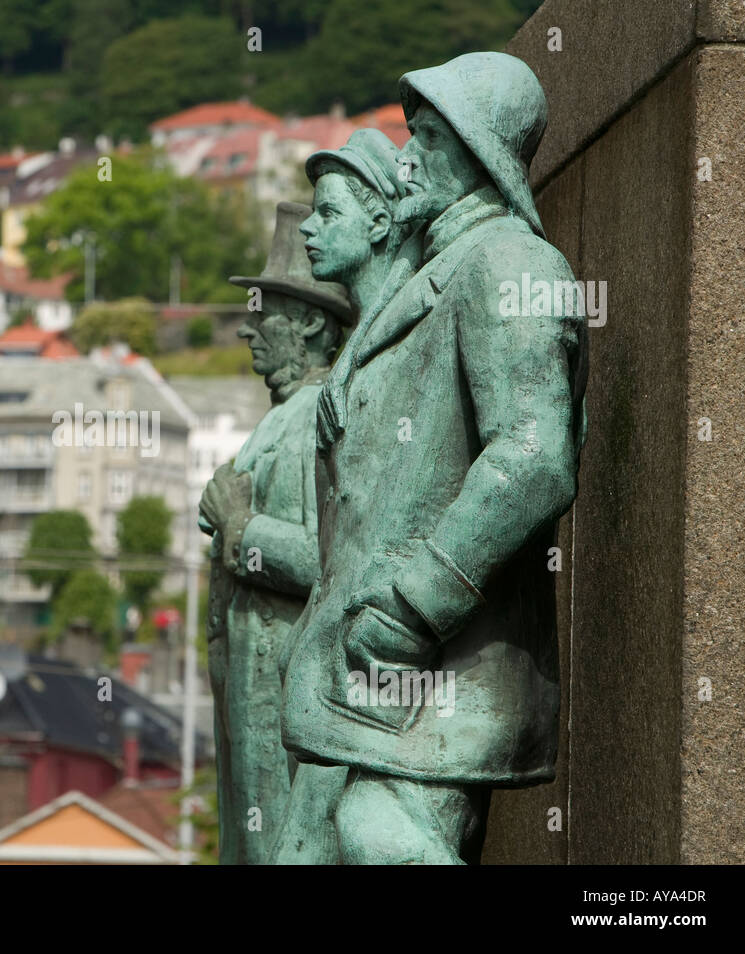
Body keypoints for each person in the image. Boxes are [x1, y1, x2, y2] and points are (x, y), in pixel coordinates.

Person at [279, 52, 590, 864]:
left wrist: (414, 606)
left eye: (423, 135)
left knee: (382, 844)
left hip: (435, 666)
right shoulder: (443, 269)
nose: (405, 155)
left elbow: (534, 456)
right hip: (384, 676)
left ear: (476, 148)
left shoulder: (508, 262)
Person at [270, 128, 407, 864]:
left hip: (385, 656)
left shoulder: (417, 321)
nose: (311, 229)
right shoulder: (368, 340)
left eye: (327, 212)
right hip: (334, 661)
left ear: (381, 222)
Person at [200, 200, 350, 864]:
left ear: (312, 321)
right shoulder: (280, 419)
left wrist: (240, 527)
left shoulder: (321, 411)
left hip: (287, 682)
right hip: (250, 683)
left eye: (264, 313)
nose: (246, 330)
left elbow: (333, 559)